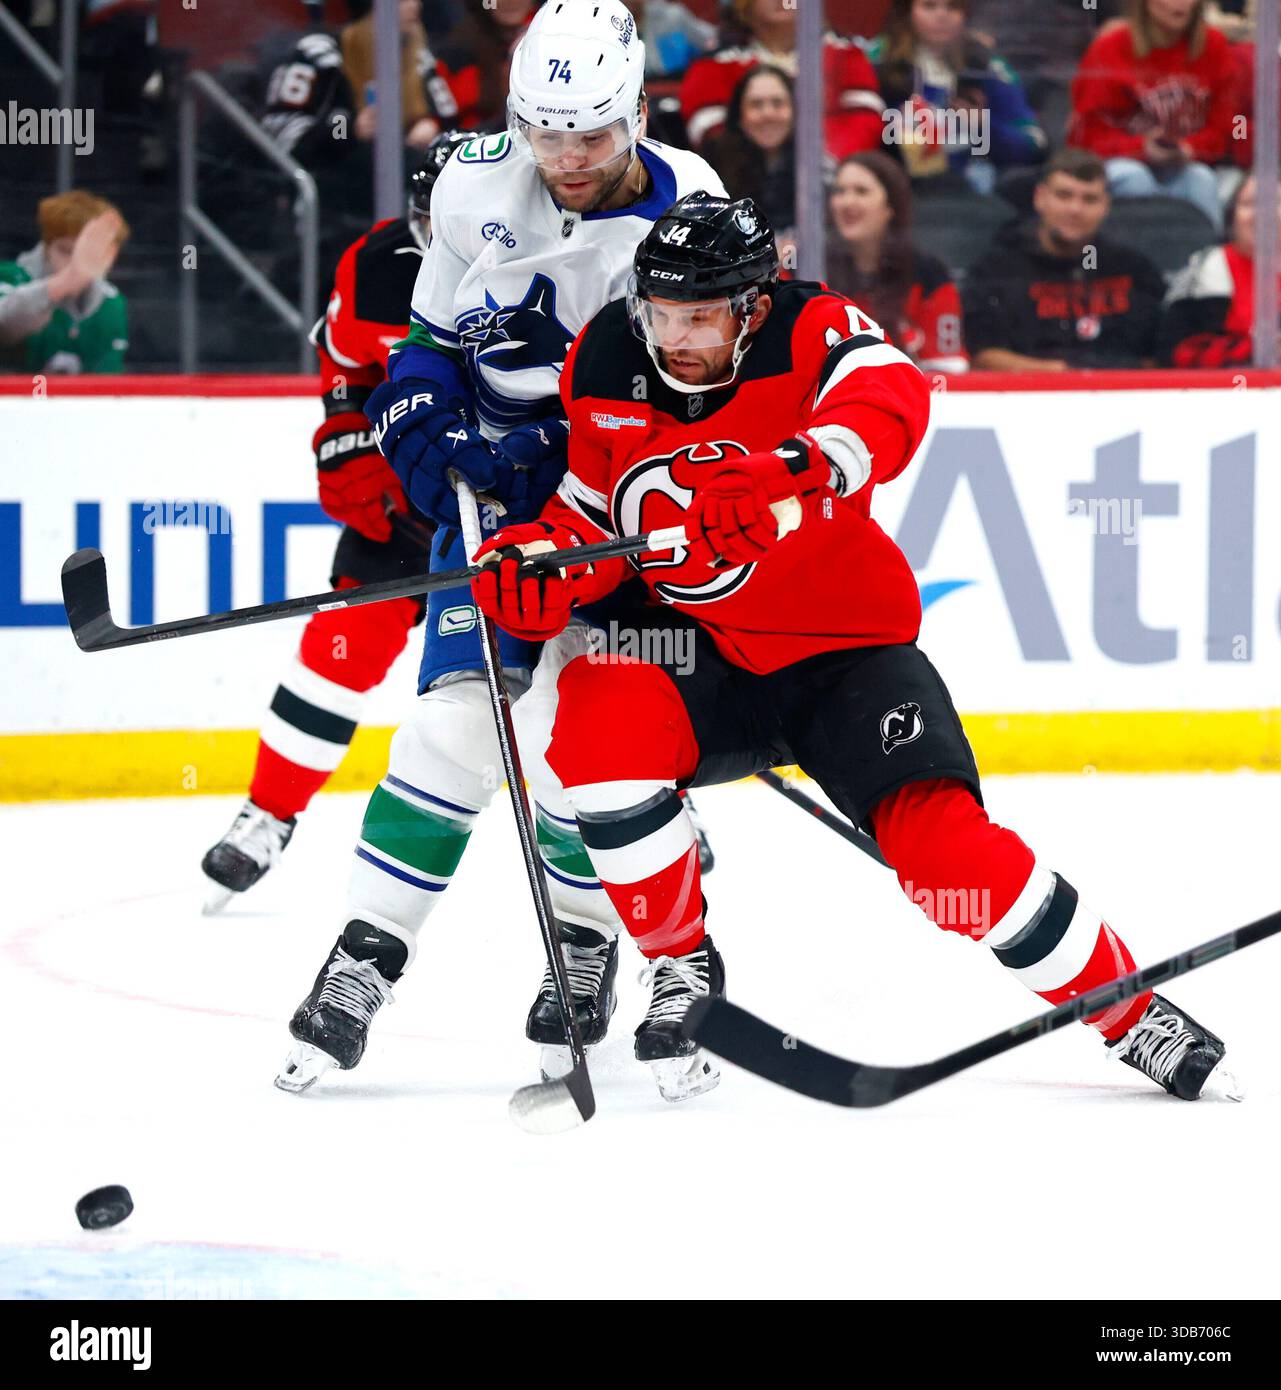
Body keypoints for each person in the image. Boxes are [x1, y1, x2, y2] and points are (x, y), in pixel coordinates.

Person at [471, 190, 1239, 1105]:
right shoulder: (607, 355)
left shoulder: (813, 326)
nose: (672, 338)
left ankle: (1125, 1008)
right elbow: (595, 510)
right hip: (687, 652)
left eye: (698, 317)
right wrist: (542, 562)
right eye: (659, 313)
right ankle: (679, 963)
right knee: (593, 745)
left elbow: (893, 396)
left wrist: (793, 468)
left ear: (753, 305)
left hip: (842, 657)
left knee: (949, 858)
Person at [275, 0, 729, 1102]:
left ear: (634, 113)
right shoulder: (478, 179)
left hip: (613, 519)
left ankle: (590, 944)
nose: (566, 159)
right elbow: (431, 341)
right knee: (448, 725)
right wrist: (419, 416)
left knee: (578, 755)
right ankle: (366, 956)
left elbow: (700, 392)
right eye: (545, 131)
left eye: (590, 134)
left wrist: (555, 452)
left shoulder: (696, 208)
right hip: (494, 510)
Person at [201, 134, 472, 914]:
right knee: (337, 651)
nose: (439, 232)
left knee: (554, 671)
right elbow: (347, 370)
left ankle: (651, 805)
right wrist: (347, 450)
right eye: (429, 215)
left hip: (519, 505)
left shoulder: (549, 258)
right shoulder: (378, 265)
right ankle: (268, 813)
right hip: (408, 504)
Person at [964, 148, 1167, 371]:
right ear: (1040, 198)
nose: (1075, 209)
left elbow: (1158, 357)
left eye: (1089, 199)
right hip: (1026, 397)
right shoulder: (997, 270)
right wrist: (1063, 376)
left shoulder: (1134, 270)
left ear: (1106, 206)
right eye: (1064, 195)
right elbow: (982, 356)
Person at [1068, 0, 1237, 233]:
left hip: (1185, 162)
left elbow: (1225, 126)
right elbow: (1085, 136)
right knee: (1133, 177)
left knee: (1201, 179)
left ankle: (1206, 263)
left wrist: (1188, 149)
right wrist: (1141, 148)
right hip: (1119, 162)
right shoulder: (1111, 47)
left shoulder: (1214, 45)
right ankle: (1135, 264)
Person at [866, 0, 1047, 197]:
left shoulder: (987, 66)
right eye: (929, 6)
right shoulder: (878, 61)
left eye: (952, 7)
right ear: (909, 12)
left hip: (974, 198)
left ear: (965, 15)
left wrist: (982, 127)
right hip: (898, 194)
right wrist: (892, 127)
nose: (941, 15)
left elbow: (1032, 146)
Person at [679, 0, 884, 157]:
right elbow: (710, 134)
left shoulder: (844, 55)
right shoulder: (716, 64)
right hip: (743, 188)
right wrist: (768, 165)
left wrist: (826, 162)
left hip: (830, 187)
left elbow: (865, 120)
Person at [825, 151, 968, 373]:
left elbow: (947, 368)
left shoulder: (929, 274)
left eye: (861, 191)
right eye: (839, 191)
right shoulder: (808, 268)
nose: (846, 202)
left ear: (890, 206)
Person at [0, 191, 129, 375]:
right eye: (66, 251)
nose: (77, 263)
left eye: (88, 255)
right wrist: (66, 281)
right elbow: (4, 323)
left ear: (109, 256)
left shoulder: (112, 304)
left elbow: (107, 386)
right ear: (46, 248)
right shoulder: (8, 277)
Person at [1160, 174, 1281, 366]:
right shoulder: (1206, 269)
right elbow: (1174, 351)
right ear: (1232, 216)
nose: (1262, 214)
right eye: (1249, 204)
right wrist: (1253, 349)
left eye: (1273, 203)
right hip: (1225, 390)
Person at [342, 0, 463, 151]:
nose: (414, 5)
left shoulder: (422, 55)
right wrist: (352, 129)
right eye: (401, 1)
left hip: (411, 157)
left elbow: (451, 119)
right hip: (352, 161)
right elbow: (320, 135)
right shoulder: (339, 56)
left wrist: (433, 124)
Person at [706, 66, 796, 265]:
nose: (768, 113)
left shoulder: (817, 166)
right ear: (740, 116)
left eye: (778, 103)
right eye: (756, 105)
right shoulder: (711, 171)